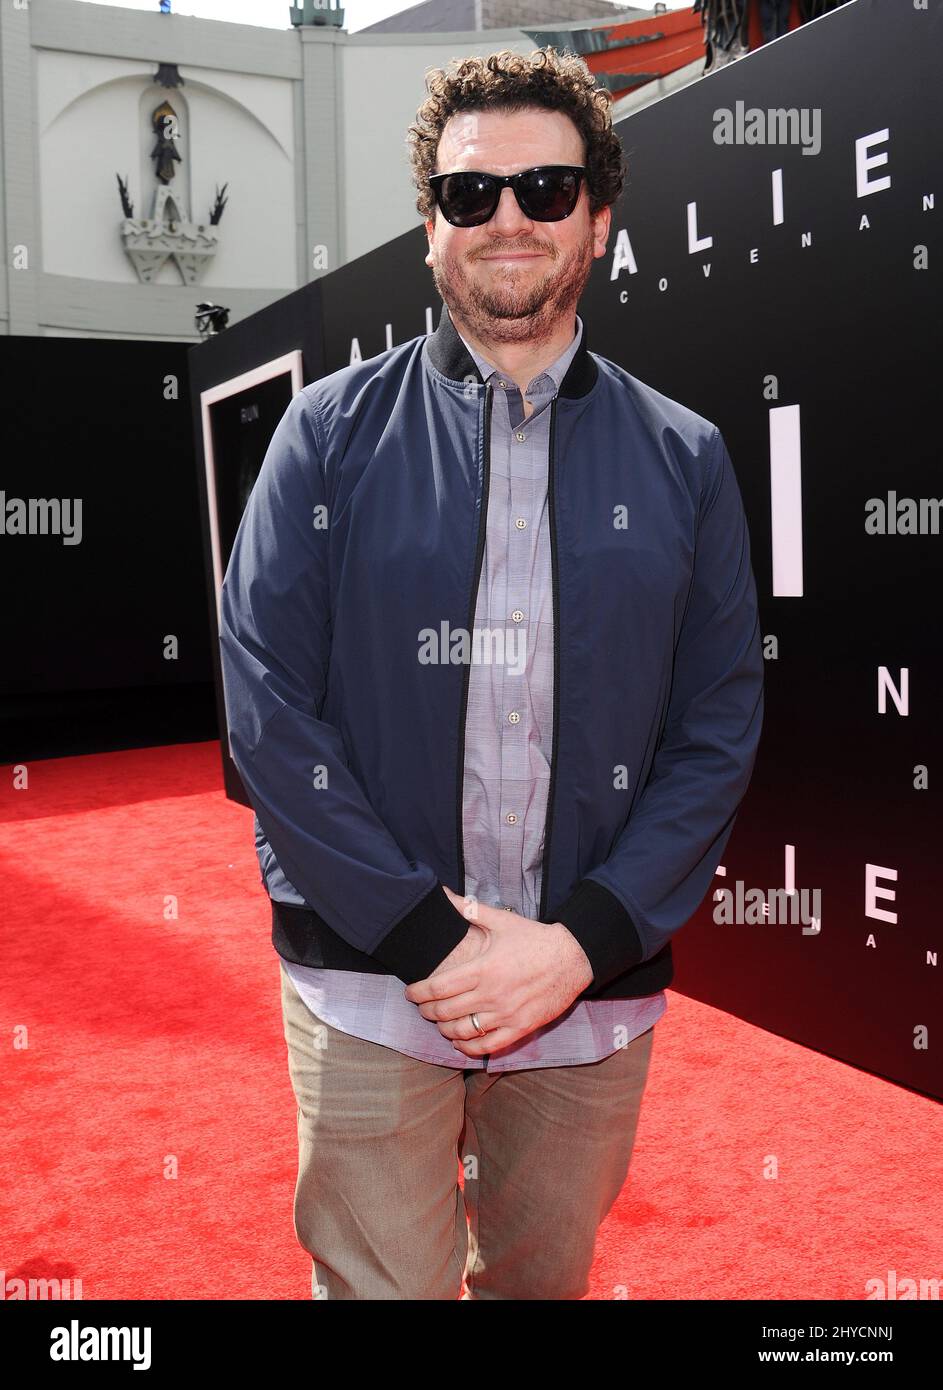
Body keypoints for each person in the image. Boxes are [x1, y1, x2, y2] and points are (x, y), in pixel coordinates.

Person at [218, 46, 765, 1301]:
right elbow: (265, 701)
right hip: (365, 979)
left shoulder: (684, 458)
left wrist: (580, 942)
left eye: (545, 189)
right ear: (429, 229)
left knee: (540, 1286)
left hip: (587, 998)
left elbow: (716, 725)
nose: (507, 218)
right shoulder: (326, 434)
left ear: (600, 218)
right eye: (470, 196)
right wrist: (422, 937)